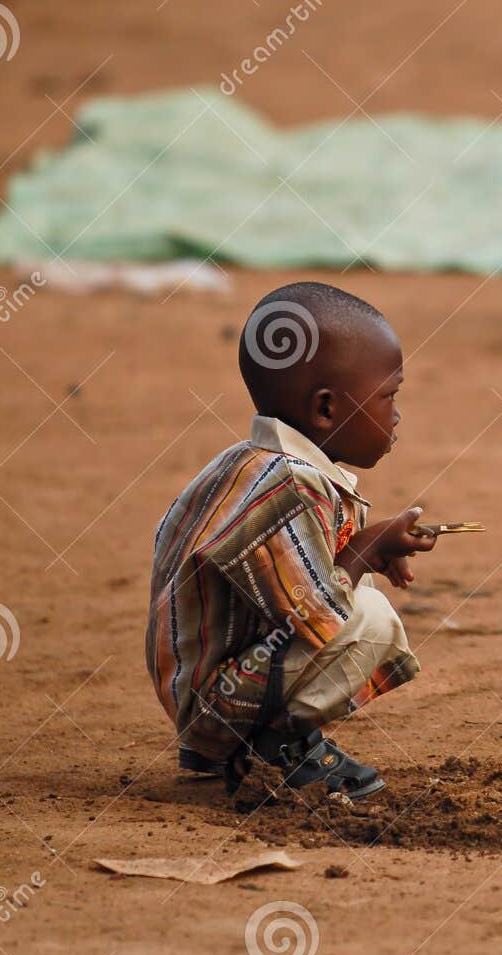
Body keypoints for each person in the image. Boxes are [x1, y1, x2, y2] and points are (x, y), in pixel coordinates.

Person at [145, 281, 434, 799]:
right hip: (217, 703)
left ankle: (236, 743)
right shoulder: (291, 487)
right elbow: (315, 613)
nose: (397, 415)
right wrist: (364, 551)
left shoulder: (249, 465)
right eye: (388, 396)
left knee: (354, 608)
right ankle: (274, 747)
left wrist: (367, 542)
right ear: (325, 409)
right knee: (372, 618)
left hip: (209, 691)